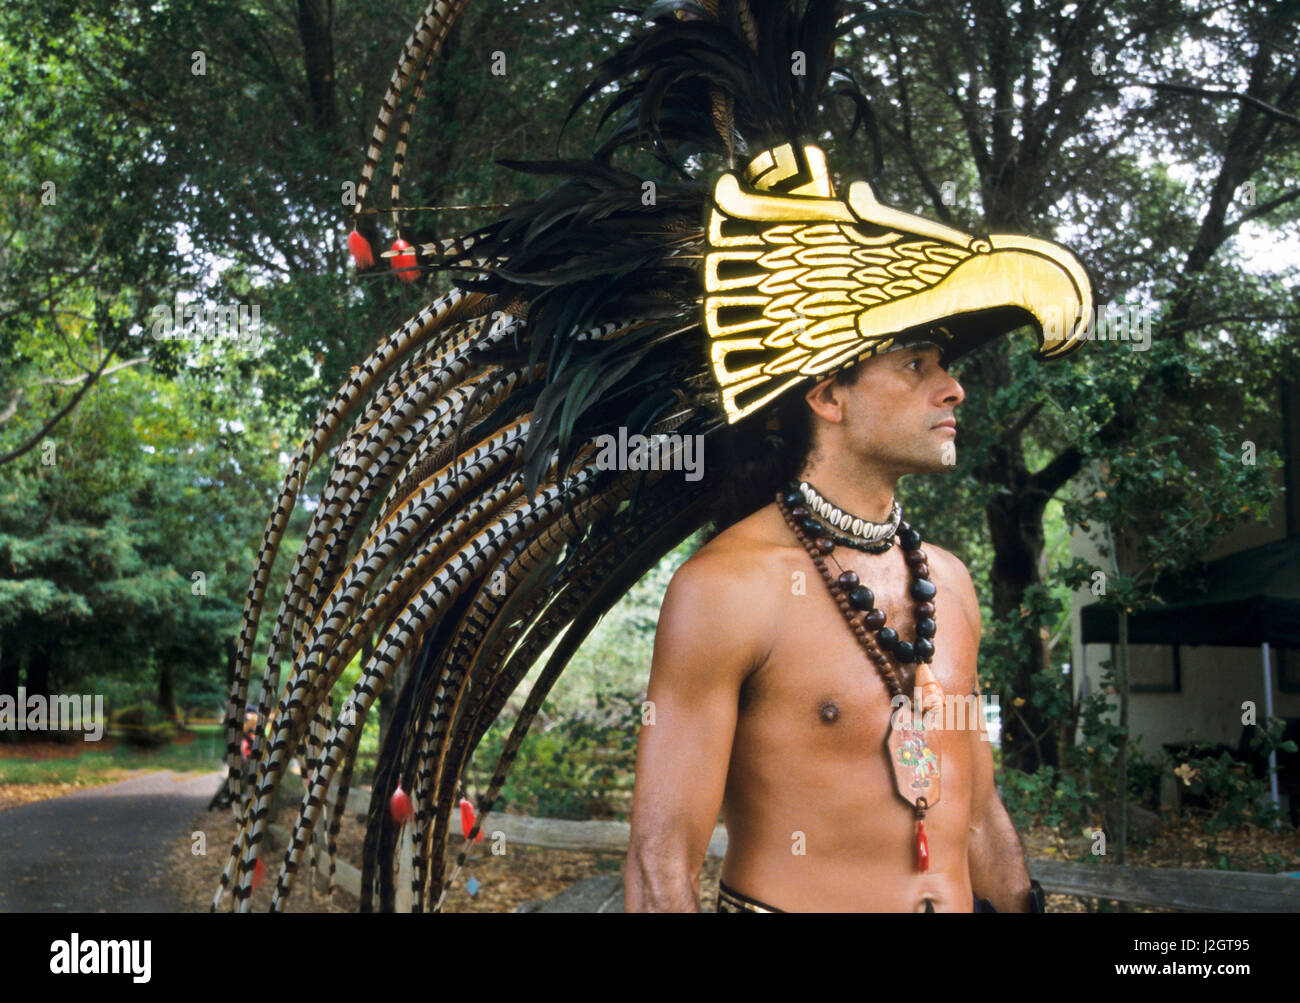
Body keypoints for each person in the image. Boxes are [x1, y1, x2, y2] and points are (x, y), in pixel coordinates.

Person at [626, 334, 1041, 913]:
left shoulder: (950, 582)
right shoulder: (726, 587)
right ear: (829, 398)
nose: (953, 390)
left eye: (944, 367)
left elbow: (978, 816)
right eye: (916, 366)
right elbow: (661, 860)